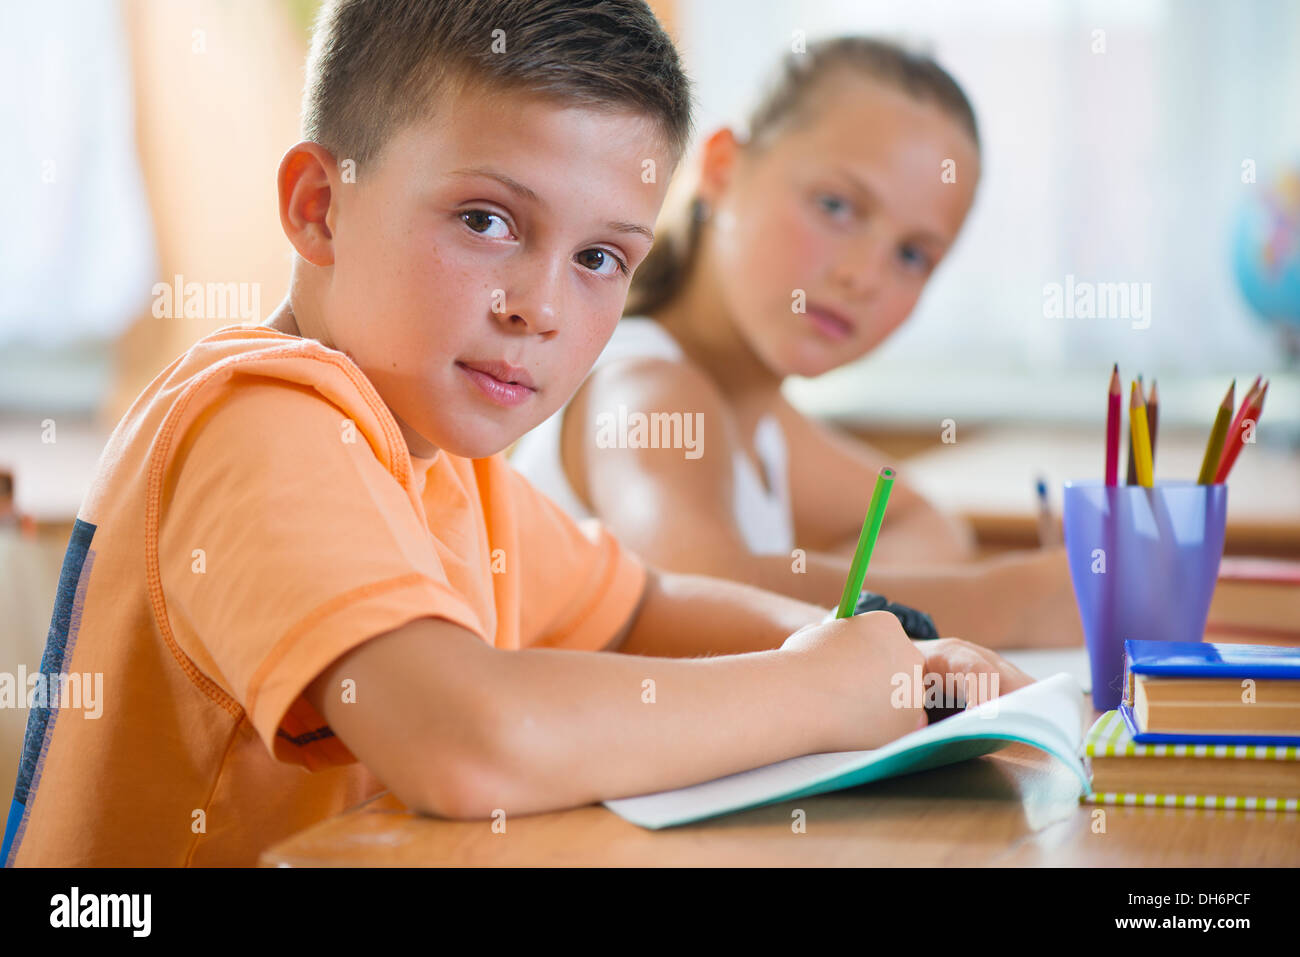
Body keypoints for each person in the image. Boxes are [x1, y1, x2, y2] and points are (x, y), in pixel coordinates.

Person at [3, 3, 1032, 867]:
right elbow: (467, 745)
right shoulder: (260, 419)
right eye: (487, 221)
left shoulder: (450, 462)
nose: (539, 309)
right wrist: (815, 690)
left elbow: (641, 610)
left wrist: (895, 659)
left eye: (597, 257)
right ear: (321, 208)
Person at [511, 37, 1084, 650]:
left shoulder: (761, 418)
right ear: (723, 169)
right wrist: (1017, 598)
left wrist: (833, 592)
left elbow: (926, 524)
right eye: (836, 206)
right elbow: (700, 594)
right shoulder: (646, 387)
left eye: (912, 254)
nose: (863, 276)